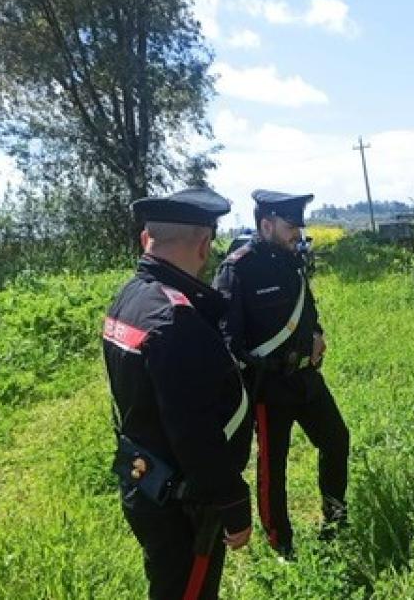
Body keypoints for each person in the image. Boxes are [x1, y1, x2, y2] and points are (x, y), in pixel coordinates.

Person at [102, 187, 252, 599]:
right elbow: (194, 433)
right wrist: (234, 503)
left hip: (144, 483)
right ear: (205, 245)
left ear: (145, 240)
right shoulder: (177, 320)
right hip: (183, 507)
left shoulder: (129, 298)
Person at [213, 189, 349, 559]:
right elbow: (226, 342)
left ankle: (335, 519)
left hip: (305, 379)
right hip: (269, 388)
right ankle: (280, 543)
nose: (297, 233)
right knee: (274, 468)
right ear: (267, 224)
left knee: (336, 439)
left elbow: (306, 307)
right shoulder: (238, 269)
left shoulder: (292, 259)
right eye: (291, 226)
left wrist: (317, 332)